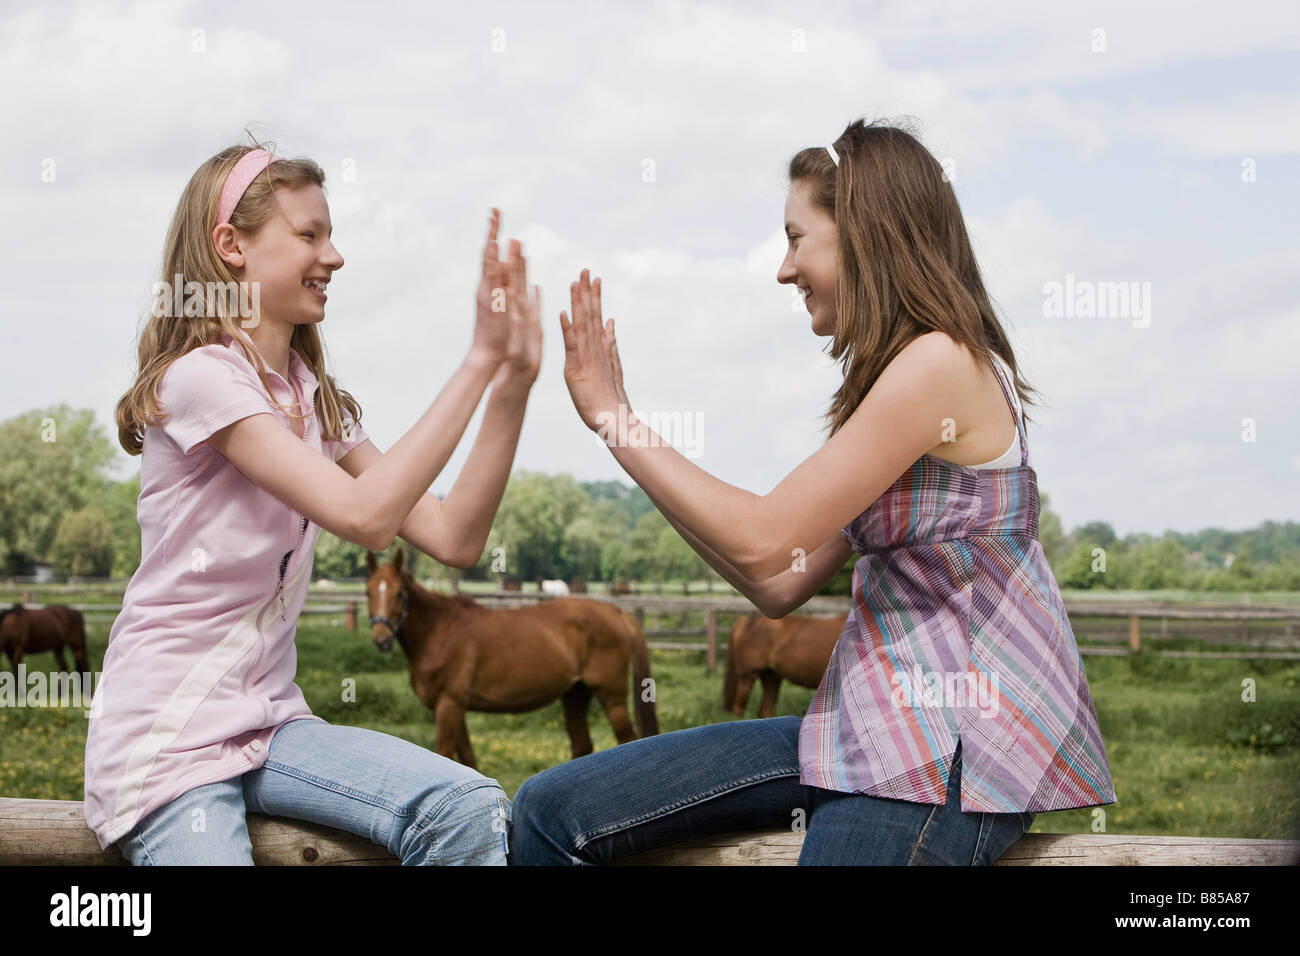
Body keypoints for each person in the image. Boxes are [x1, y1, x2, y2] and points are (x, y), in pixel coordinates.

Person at [509, 117, 1117, 866]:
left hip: (955, 750)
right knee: (550, 812)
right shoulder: (902, 380)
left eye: (797, 239)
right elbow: (778, 579)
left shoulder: (941, 364)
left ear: (863, 236)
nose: (784, 269)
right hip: (866, 728)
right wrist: (617, 426)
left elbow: (764, 540)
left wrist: (616, 418)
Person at [84, 143, 541, 865]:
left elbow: (453, 536)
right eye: (309, 234)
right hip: (167, 742)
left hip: (269, 728)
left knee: (465, 809)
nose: (334, 256)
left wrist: (510, 385)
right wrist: (476, 361)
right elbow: (366, 517)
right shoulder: (203, 379)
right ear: (231, 246)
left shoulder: (314, 399)